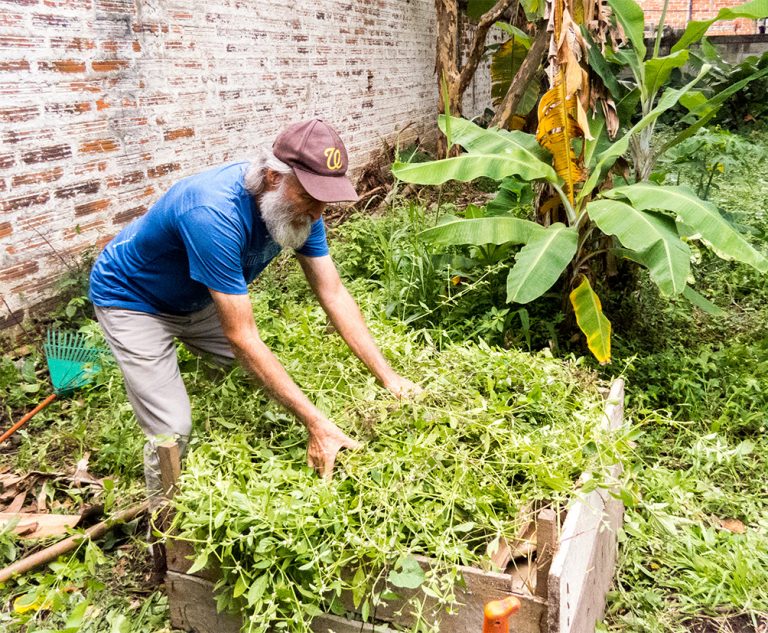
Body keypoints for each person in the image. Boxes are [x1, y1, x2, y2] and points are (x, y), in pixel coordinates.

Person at [89, 119, 420, 501]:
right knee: (173, 428)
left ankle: (207, 399)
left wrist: (390, 379)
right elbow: (242, 336)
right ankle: (163, 518)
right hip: (133, 300)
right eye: (310, 196)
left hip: (198, 298)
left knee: (257, 377)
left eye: (325, 199)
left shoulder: (302, 211)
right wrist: (317, 424)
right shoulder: (213, 213)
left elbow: (333, 293)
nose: (317, 212)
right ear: (273, 176)